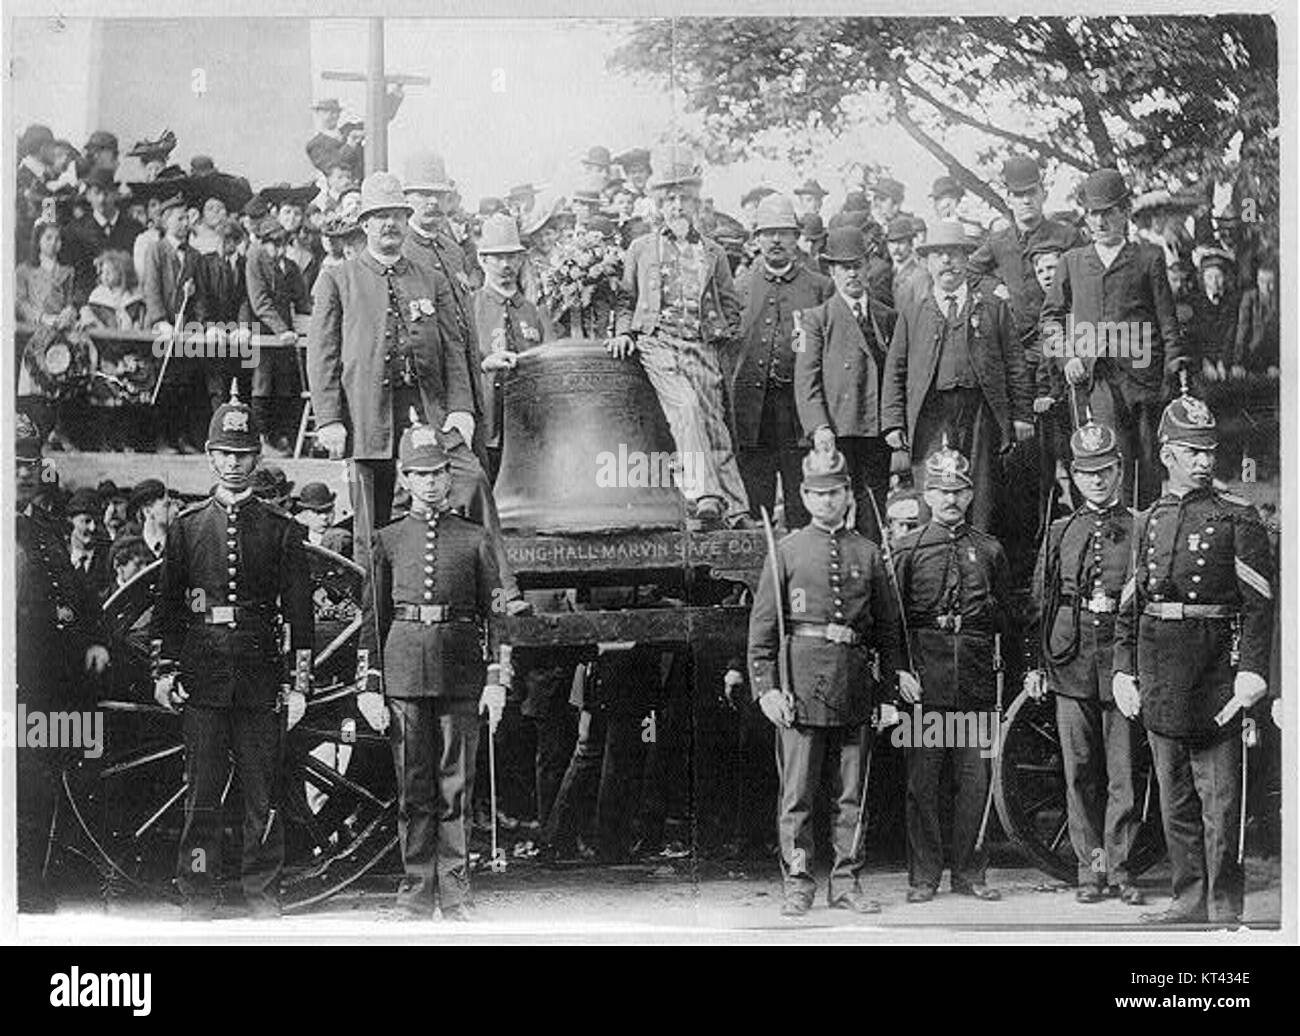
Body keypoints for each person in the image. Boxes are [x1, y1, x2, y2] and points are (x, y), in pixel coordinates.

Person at [150, 383, 313, 919]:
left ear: (257, 456)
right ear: (210, 456)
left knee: (260, 795)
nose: (234, 464)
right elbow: (169, 610)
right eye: (225, 453)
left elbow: (300, 617)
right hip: (203, 677)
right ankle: (198, 894)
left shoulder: (282, 531)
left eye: (244, 454)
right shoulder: (186, 529)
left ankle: (261, 894)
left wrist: (299, 685)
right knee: (201, 796)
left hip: (262, 677)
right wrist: (165, 669)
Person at [1112, 395, 1274, 924]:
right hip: (1160, 673)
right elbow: (1130, 604)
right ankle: (1188, 899)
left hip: (1214, 677)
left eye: (1208, 450)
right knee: (1175, 798)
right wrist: (1122, 669)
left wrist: (1252, 672)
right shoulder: (1149, 520)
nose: (1203, 460)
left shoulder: (1237, 517)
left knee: (1221, 804)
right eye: (1191, 451)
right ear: (1166, 455)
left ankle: (1225, 909)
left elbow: (1258, 605)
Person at [353, 420, 508, 920]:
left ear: (449, 476)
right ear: (402, 477)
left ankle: (457, 892)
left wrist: (495, 679)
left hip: (461, 671)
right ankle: (416, 894)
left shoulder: (476, 538)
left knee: (454, 788)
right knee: (413, 788)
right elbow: (372, 619)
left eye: (439, 472)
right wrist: (370, 684)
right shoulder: (387, 540)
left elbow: (496, 615)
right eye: (420, 475)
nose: (431, 483)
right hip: (403, 672)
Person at [746, 447, 902, 916]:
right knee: (797, 794)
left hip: (853, 685)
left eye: (834, 492)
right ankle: (798, 881)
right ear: (803, 495)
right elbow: (763, 631)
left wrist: (890, 694)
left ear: (848, 495)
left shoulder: (868, 553)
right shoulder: (788, 551)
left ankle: (846, 881)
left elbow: (888, 632)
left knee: (850, 792)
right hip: (800, 685)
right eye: (816, 494)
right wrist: (766, 688)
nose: (826, 501)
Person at [1023, 421, 1144, 905]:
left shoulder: (1139, 525)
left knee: (1124, 773)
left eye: (1105, 471)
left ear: (1119, 471)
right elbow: (1040, 602)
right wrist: (1034, 664)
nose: (1097, 481)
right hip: (1069, 661)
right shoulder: (1059, 532)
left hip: (1120, 661)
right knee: (1078, 771)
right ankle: (1090, 870)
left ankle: (1121, 870)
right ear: (1073, 475)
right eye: (1087, 473)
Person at [606, 146, 752, 530]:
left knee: (714, 423)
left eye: (684, 198)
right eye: (669, 199)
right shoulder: (641, 249)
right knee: (685, 407)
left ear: (696, 202)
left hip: (701, 345)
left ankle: (737, 510)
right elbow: (626, 299)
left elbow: (730, 302)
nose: (677, 206)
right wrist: (624, 333)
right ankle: (704, 494)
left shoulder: (714, 252)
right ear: (657, 204)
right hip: (658, 343)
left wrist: (721, 334)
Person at [893, 441, 1014, 903]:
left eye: (958, 491)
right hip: (925, 683)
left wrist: (1017, 678)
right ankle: (923, 877)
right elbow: (893, 624)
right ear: (927, 495)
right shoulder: (907, 551)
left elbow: (1006, 621)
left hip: (977, 682)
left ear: (969, 494)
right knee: (922, 785)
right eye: (941, 491)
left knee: (974, 783)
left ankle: (969, 874)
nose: (949, 500)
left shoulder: (990, 551)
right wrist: (900, 672)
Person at [1039, 168, 1184, 507]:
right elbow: (1050, 318)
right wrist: (1066, 358)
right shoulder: (1072, 262)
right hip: (1096, 380)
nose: (1100, 222)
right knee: (1105, 457)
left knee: (1146, 466)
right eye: (1093, 214)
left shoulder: (1148, 258)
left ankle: (1146, 537)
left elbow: (1167, 319)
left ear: (1124, 212)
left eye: (1108, 212)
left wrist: (1173, 364)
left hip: (1143, 378)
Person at [15, 414, 110, 911]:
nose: (24, 473)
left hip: (49, 686)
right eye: (14, 464)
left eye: (31, 463)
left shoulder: (45, 532)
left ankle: (32, 882)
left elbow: (82, 599)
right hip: (16, 686)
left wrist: (96, 640)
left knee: (42, 784)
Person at [882, 221, 1033, 532]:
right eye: (939, 255)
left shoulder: (992, 308)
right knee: (936, 488)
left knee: (981, 489)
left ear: (967, 259)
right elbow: (896, 367)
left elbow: (1015, 363)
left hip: (980, 411)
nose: (947, 261)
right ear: (927, 263)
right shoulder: (914, 311)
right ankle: (934, 565)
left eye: (954, 253)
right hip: (932, 414)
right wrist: (894, 420)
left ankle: (978, 565)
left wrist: (1021, 415)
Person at [731, 195, 833, 528]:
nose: (776, 240)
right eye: (768, 232)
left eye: (784, 232)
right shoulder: (739, 287)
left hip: (798, 416)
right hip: (752, 416)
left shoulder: (820, 288)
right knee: (755, 510)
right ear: (756, 239)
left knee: (803, 505)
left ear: (796, 238)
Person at [794, 226, 896, 542]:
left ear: (867, 267)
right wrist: (818, 427)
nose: (852, 274)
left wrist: (894, 422)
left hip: (877, 428)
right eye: (843, 267)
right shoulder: (815, 319)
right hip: (839, 428)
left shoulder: (887, 316)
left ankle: (872, 567)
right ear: (832, 271)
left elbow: (897, 373)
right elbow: (805, 379)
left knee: (873, 507)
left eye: (857, 265)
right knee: (834, 504)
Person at [473, 213, 553, 483]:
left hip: (527, 421)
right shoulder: (471, 306)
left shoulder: (533, 311)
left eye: (511, 257)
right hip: (487, 419)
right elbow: (455, 362)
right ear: (483, 260)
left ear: (521, 260)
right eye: (497, 257)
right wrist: (485, 363)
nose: (505, 264)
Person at [246, 216, 311, 456]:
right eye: (274, 244)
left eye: (283, 243)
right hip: (262, 332)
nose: (280, 249)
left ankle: (280, 436)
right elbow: (259, 302)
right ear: (264, 243)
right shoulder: (255, 260)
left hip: (285, 337)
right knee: (262, 383)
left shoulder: (289, 266)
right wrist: (281, 329)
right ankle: (261, 439)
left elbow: (302, 302)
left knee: (284, 384)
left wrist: (308, 325)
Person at [60, 167, 143, 302]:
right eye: (96, 193)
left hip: (128, 297)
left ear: (115, 194)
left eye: (107, 193)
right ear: (88, 196)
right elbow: (79, 276)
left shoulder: (134, 228)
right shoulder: (76, 230)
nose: (102, 199)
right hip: (91, 300)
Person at [1189, 248, 1238, 381]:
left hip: (1225, 361)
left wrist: (1223, 362)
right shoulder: (1195, 303)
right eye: (1209, 277)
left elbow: (1230, 336)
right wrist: (1205, 362)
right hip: (1202, 362)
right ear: (1202, 279)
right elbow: (1195, 338)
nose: (1214, 282)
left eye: (1219, 277)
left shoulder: (1231, 303)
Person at [16, 220, 77, 328]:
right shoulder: (24, 270)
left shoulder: (67, 271)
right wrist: (42, 317)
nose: (53, 243)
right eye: (48, 238)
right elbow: (20, 303)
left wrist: (69, 312)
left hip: (60, 326)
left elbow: (69, 302)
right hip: (34, 327)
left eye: (57, 239)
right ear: (38, 241)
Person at [79, 249, 145, 331]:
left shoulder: (133, 296)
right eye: (103, 272)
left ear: (121, 273)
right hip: (101, 333)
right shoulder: (98, 294)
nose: (105, 276)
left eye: (109, 272)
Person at [65, 487, 112, 601]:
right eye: (86, 521)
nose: (93, 528)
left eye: (97, 521)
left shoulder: (109, 554)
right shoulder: (58, 552)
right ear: (71, 520)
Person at [1233, 259, 1278, 377]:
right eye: (1262, 282)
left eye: (1271, 282)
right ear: (1257, 281)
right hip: (1250, 356)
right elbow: (1242, 330)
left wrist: (1276, 364)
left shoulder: (1282, 300)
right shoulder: (1249, 298)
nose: (1267, 288)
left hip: (1274, 359)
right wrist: (1238, 362)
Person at [293, 482, 352, 555]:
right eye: (317, 512)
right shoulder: (295, 539)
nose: (324, 517)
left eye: (328, 510)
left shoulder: (340, 538)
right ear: (304, 514)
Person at [886, 216, 928, 313]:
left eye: (901, 243)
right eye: (892, 243)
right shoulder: (890, 273)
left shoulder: (920, 276)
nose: (896, 248)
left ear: (911, 244)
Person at [128, 478, 174, 560]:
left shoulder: (179, 544)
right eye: (167, 506)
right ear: (148, 511)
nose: (176, 510)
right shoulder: (129, 549)